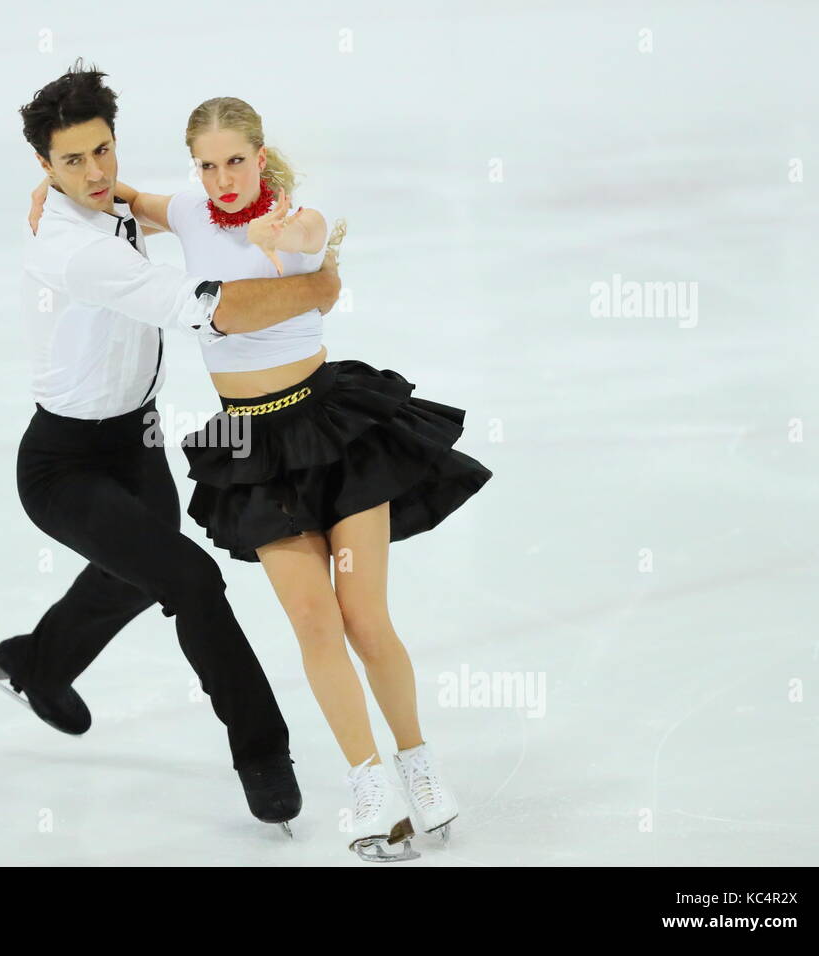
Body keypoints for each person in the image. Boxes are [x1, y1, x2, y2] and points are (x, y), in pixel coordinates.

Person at [30, 96, 493, 861]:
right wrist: (53, 187)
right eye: (207, 166)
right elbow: (120, 199)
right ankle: (369, 784)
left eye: (234, 161)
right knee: (313, 625)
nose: (221, 179)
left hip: (333, 434)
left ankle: (419, 762)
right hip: (251, 451)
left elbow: (306, 239)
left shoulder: (298, 223)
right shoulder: (186, 210)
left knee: (364, 620)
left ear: (259, 155)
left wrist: (286, 235)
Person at [0, 62, 342, 833]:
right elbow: (201, 309)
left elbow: (147, 206)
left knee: (137, 574)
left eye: (102, 150)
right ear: (43, 165)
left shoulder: (104, 205)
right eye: (71, 161)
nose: (96, 171)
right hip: (63, 463)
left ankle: (34, 663)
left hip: (135, 441)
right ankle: (264, 757)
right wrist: (313, 289)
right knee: (191, 579)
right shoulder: (77, 250)